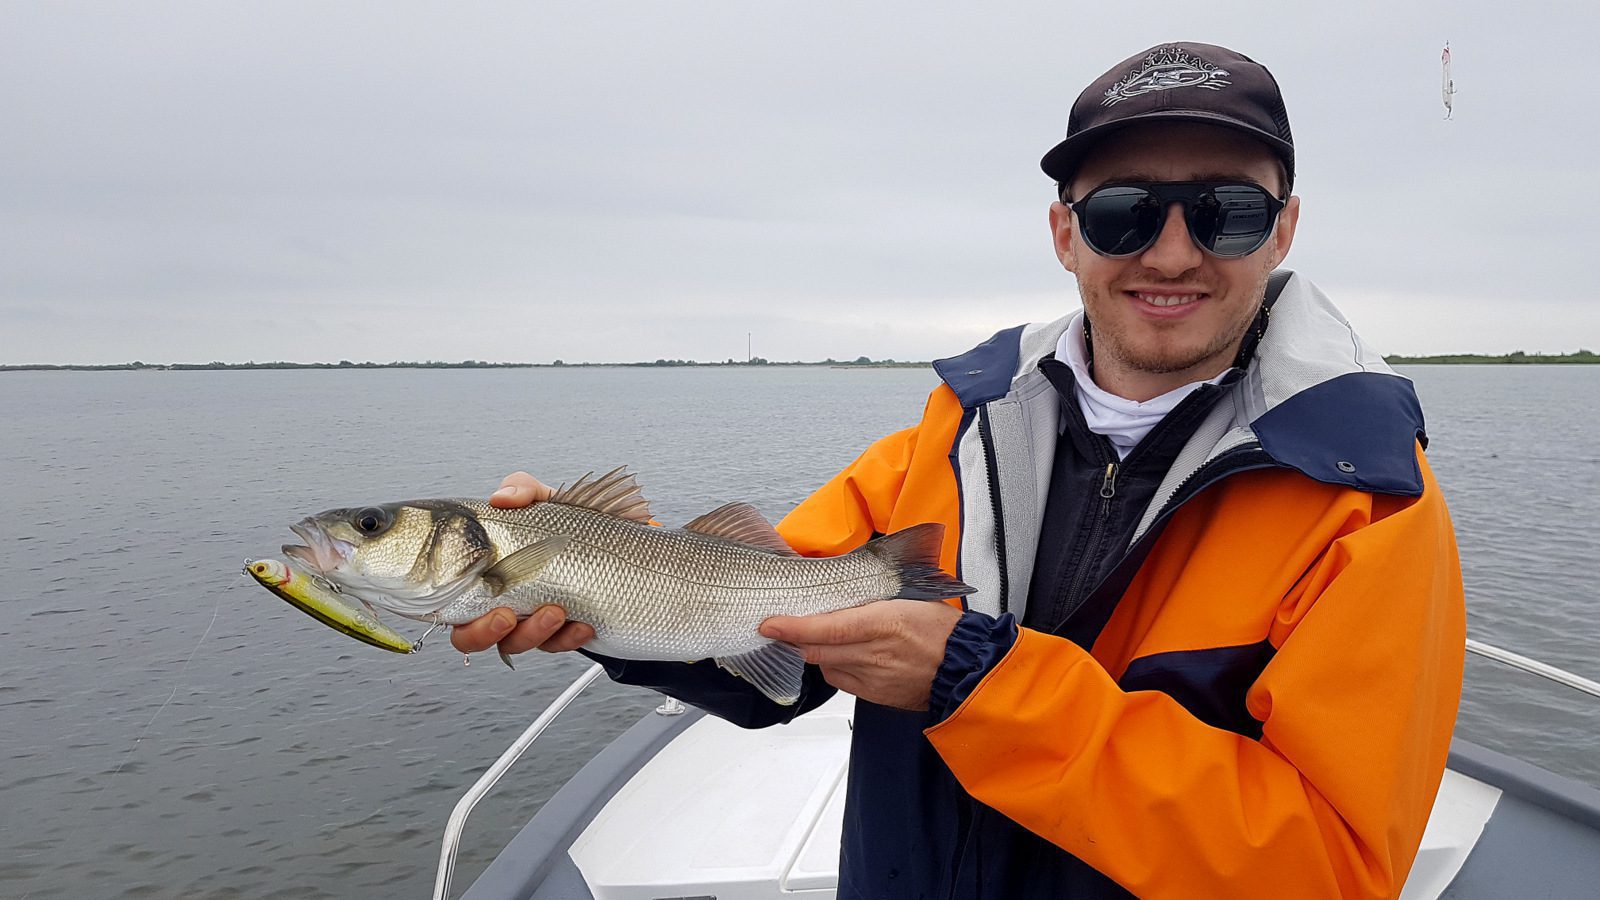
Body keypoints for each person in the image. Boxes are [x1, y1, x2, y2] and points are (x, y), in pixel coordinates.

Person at [453, 42, 1465, 899]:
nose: (1169, 253)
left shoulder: (1368, 508)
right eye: (1121, 211)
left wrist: (976, 682)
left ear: (1284, 229)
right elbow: (778, 662)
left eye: (1225, 212)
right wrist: (598, 598)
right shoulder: (943, 440)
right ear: (1063, 234)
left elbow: (1330, 866)